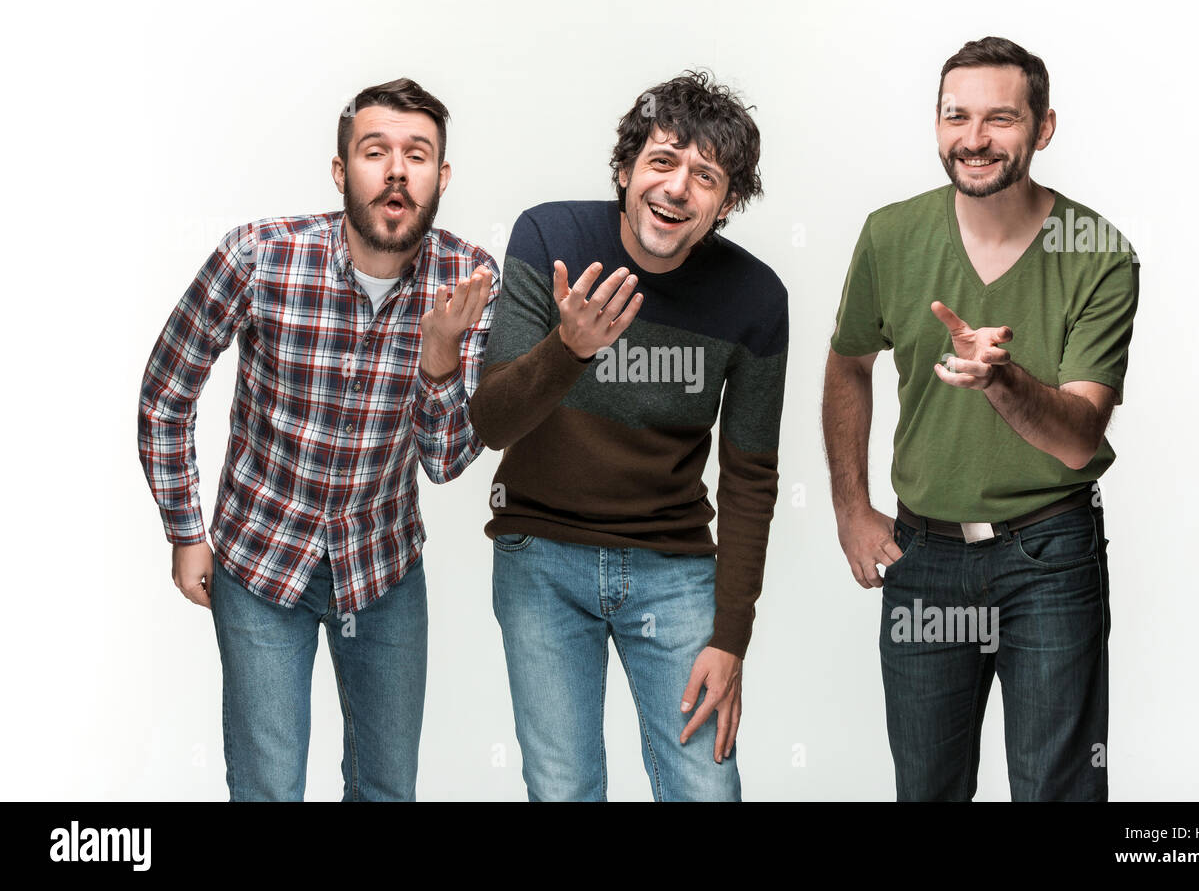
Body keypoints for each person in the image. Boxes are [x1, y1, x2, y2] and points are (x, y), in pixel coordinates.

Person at [137, 78, 497, 801]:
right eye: (376, 151)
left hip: (384, 568)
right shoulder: (260, 257)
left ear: (441, 177)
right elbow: (166, 393)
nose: (397, 170)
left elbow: (447, 461)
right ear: (341, 172)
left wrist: (437, 362)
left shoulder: (468, 278)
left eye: (418, 155)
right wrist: (186, 531)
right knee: (269, 788)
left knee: (387, 788)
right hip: (262, 562)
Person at [823, 37, 1139, 801]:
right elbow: (848, 363)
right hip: (922, 559)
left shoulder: (1097, 250)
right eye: (955, 117)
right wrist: (850, 507)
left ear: (1044, 127)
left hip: (1049, 559)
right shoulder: (891, 235)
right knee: (926, 789)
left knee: (1052, 788)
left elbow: (1078, 438)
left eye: (1000, 118)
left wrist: (999, 382)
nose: (973, 138)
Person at [468, 70, 787, 801]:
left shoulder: (757, 298)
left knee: (706, 785)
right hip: (541, 559)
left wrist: (730, 635)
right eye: (663, 161)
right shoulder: (549, 237)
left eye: (705, 176)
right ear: (626, 170)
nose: (677, 188)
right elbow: (491, 422)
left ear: (727, 202)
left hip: (673, 572)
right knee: (564, 787)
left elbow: (749, 478)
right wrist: (568, 350)